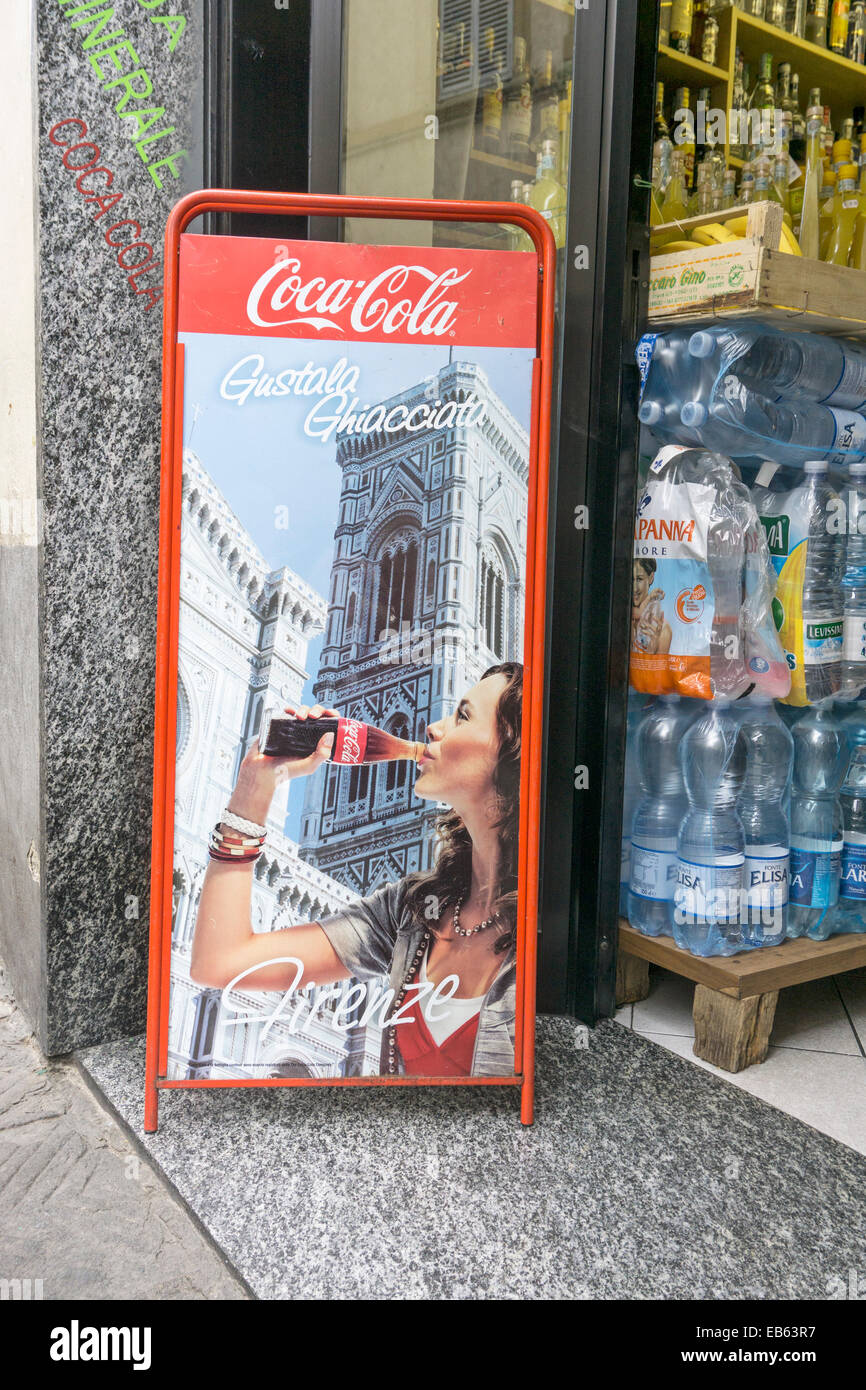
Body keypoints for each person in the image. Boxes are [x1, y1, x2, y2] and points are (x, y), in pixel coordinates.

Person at [190, 662, 522, 1078]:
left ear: (513, 755)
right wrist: (255, 790)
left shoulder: (546, 934)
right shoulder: (410, 912)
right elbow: (221, 963)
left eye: (463, 716)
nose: (435, 728)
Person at [632, 558, 671, 656]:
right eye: (630, 579)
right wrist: (649, 598)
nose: (634, 588)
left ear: (651, 578)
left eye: (639, 579)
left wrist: (650, 652)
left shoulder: (663, 632)